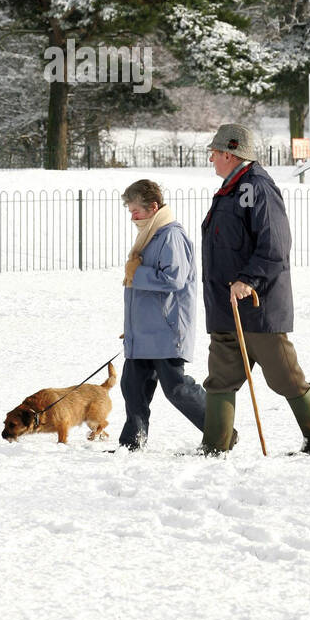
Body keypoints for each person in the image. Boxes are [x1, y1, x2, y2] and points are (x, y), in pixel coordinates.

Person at [200, 124, 310, 455]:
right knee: (220, 379)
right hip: (225, 307)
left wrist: (248, 280)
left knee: (285, 378)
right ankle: (214, 447)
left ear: (229, 154)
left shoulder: (256, 187)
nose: (212, 160)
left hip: (258, 309)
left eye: (214, 154)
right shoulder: (231, 189)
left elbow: (275, 245)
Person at [118, 179, 207, 450]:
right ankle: (132, 443)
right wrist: (132, 326)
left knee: (177, 389)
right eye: (130, 211)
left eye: (136, 211)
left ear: (153, 207)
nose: (132, 217)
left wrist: (137, 273)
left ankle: (221, 428)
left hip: (166, 331)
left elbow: (174, 279)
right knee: (132, 387)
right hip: (144, 333)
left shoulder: (171, 235)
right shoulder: (150, 235)